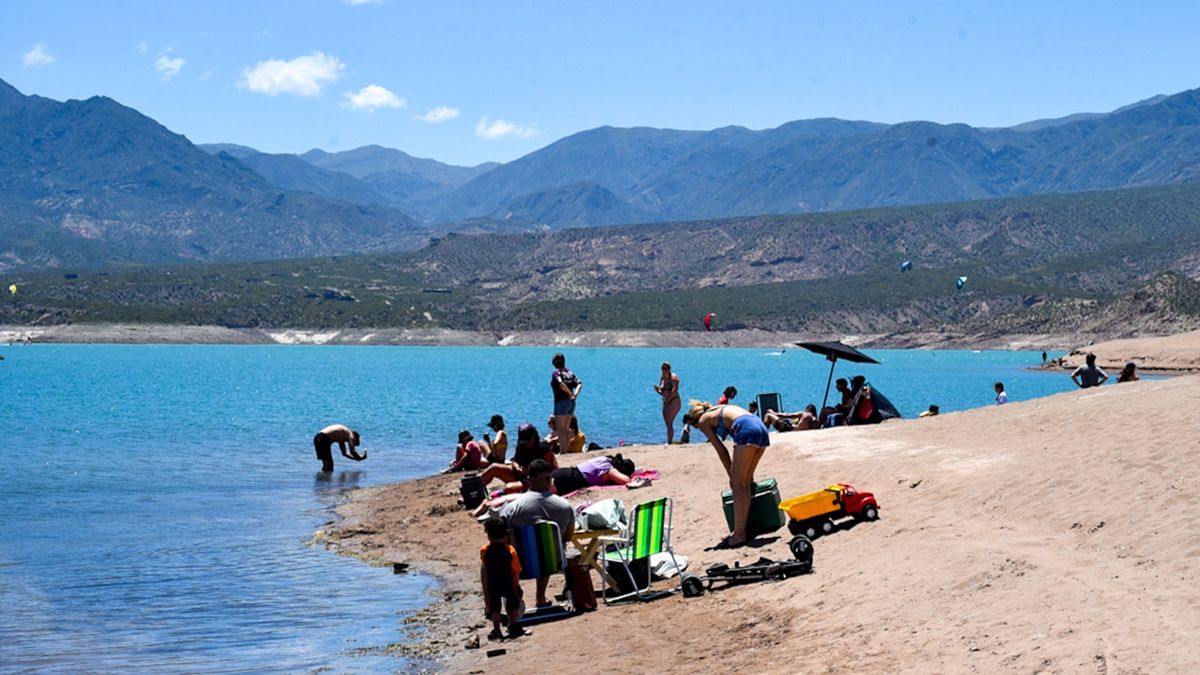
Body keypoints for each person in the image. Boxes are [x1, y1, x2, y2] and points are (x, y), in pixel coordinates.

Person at [683, 400, 770, 549]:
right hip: (760, 426)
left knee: (737, 485)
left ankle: (739, 534)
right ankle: (742, 529)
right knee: (745, 482)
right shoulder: (718, 409)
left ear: (695, 421)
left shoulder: (703, 420)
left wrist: (731, 475)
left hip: (746, 429)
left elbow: (722, 451)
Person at [500, 459, 575, 607]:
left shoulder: (512, 508)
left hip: (519, 566)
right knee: (547, 549)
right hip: (554, 563)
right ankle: (540, 597)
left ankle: (514, 599)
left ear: (528, 479)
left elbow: (504, 539)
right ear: (549, 479)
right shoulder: (564, 506)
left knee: (514, 551)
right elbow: (567, 538)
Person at [480, 517, 524, 640]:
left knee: (495, 607)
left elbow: (485, 568)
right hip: (508, 582)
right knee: (512, 603)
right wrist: (516, 583)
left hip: (493, 583)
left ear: (489, 536)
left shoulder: (485, 550)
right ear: (505, 535)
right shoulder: (510, 550)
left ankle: (497, 629)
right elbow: (516, 570)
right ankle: (513, 624)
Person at [480, 422, 558, 490]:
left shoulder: (544, 449)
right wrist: (517, 468)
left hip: (534, 480)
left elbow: (553, 469)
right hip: (519, 475)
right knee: (494, 467)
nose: (526, 443)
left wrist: (530, 472)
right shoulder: (521, 446)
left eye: (528, 440)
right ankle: (475, 488)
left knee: (509, 488)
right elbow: (514, 461)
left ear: (534, 436)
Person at [551, 454, 635, 495]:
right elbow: (626, 481)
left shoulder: (604, 459)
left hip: (566, 473)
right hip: (569, 480)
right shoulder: (608, 469)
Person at [550, 353, 583, 456]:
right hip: (571, 403)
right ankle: (565, 450)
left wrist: (569, 393)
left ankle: (563, 451)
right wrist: (575, 395)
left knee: (560, 429)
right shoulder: (570, 373)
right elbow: (579, 384)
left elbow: (561, 384)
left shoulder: (556, 373)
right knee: (566, 428)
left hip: (560, 402)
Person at [654, 362, 682, 444]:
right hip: (665, 401)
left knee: (669, 422)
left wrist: (668, 400)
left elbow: (674, 390)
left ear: (670, 369)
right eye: (663, 368)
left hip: (674, 400)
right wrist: (657, 390)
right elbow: (661, 391)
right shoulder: (662, 378)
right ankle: (669, 441)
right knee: (667, 423)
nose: (665, 370)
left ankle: (669, 442)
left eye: (667, 368)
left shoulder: (673, 377)